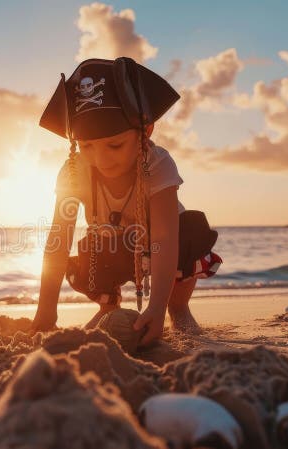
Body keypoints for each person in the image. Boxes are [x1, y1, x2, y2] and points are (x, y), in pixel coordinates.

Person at [31, 57, 222, 346]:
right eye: (87, 146)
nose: (101, 159)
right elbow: (58, 242)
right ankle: (109, 308)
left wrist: (156, 309)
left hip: (166, 246)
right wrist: (45, 312)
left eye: (115, 145)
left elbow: (165, 239)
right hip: (115, 244)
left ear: (144, 131)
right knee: (92, 246)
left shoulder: (157, 164)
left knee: (188, 232)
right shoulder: (74, 171)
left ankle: (177, 307)